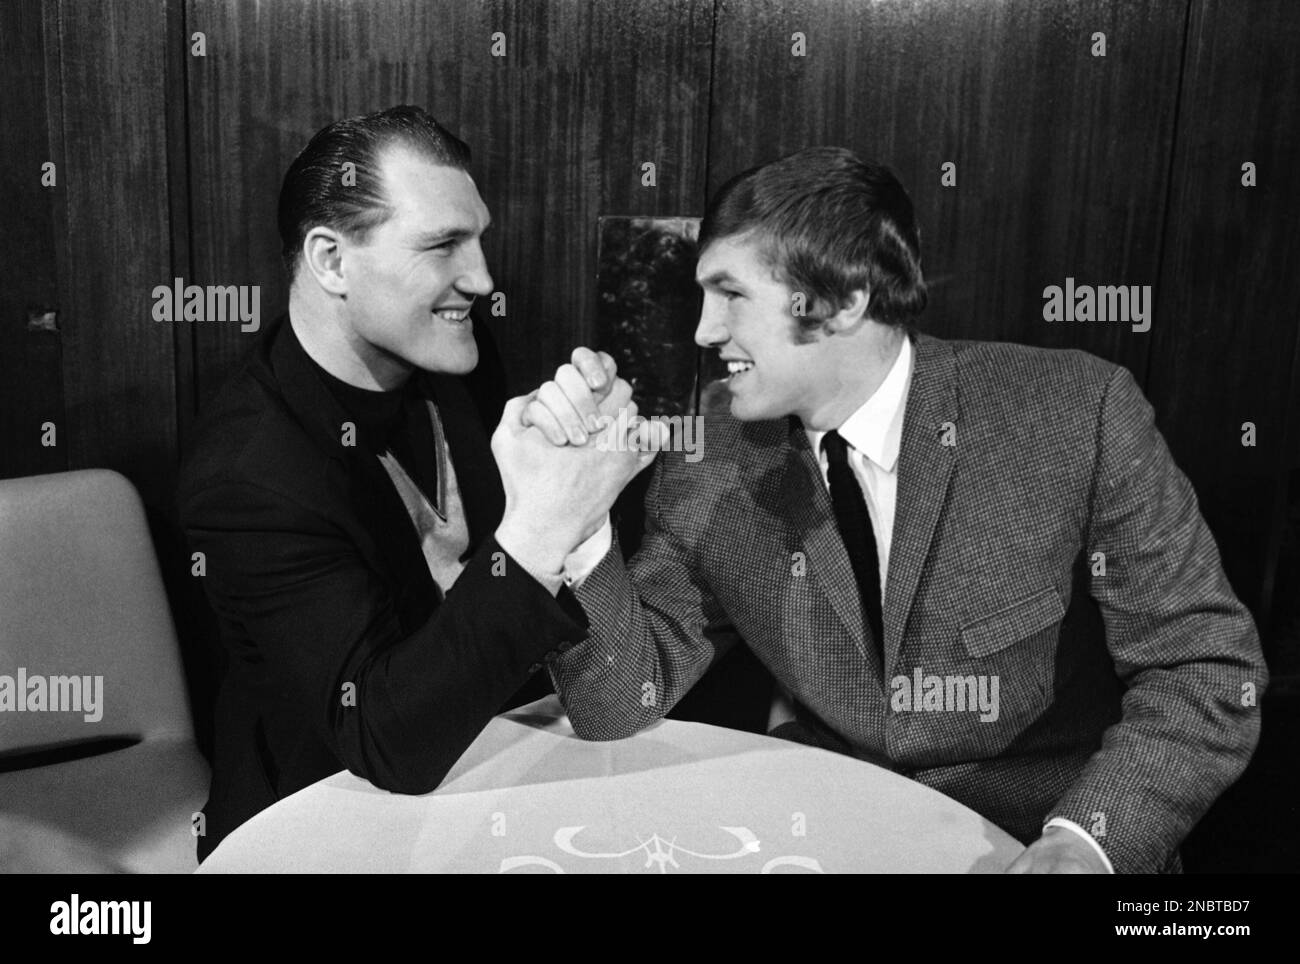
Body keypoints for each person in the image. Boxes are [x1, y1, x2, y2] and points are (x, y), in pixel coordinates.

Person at [525, 147, 1268, 873]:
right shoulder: (708, 454)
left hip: (1046, 834)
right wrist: (582, 523)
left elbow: (1203, 667)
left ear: (846, 298)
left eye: (733, 294)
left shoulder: (1077, 414)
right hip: (828, 840)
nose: (704, 331)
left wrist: (1084, 842)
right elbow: (618, 705)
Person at [178, 105, 650, 860]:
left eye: (479, 238)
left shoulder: (455, 349)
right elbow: (384, 740)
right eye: (442, 245)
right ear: (331, 260)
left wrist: (569, 456)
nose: (482, 278)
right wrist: (545, 526)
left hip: (493, 768)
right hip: (325, 821)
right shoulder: (247, 477)